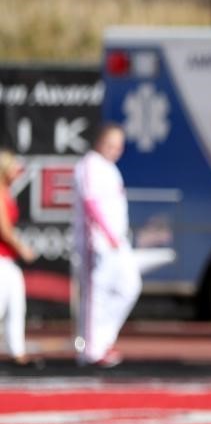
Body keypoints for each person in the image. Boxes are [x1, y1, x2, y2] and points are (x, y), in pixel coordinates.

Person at [72, 123, 142, 367]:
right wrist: (107, 234)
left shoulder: (110, 168)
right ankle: (90, 349)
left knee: (129, 286)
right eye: (111, 144)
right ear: (100, 142)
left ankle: (103, 338)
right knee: (95, 295)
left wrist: (119, 236)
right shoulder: (90, 164)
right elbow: (91, 203)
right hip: (98, 243)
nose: (115, 150)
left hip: (118, 241)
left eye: (119, 146)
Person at [0, 150, 38, 366]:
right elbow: (4, 230)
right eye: (13, 167)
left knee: (16, 305)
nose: (17, 171)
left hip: (7, 260)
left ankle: (18, 352)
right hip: (1, 260)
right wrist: (22, 248)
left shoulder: (6, 193)